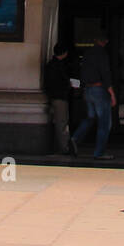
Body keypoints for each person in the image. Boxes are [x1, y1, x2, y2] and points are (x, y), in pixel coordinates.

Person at [71, 32, 115, 160]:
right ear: (105, 41)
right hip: (99, 89)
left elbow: (82, 71)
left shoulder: (87, 53)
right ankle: (99, 152)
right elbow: (105, 73)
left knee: (90, 117)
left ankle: (75, 137)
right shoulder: (102, 54)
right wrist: (111, 93)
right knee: (104, 122)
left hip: (88, 90)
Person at [43, 42, 72, 154]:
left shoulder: (50, 65)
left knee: (58, 123)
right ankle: (63, 148)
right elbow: (61, 82)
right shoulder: (59, 66)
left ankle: (58, 146)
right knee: (62, 123)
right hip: (60, 97)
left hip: (53, 97)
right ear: (64, 53)